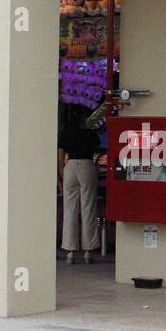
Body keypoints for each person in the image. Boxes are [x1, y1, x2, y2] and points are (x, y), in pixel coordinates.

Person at [58, 103, 101, 264]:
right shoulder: (90, 132)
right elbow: (96, 147)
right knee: (88, 209)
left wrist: (61, 178)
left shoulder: (66, 132)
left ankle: (70, 251)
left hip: (70, 167)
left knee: (70, 210)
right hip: (87, 165)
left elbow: (60, 157)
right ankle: (88, 251)